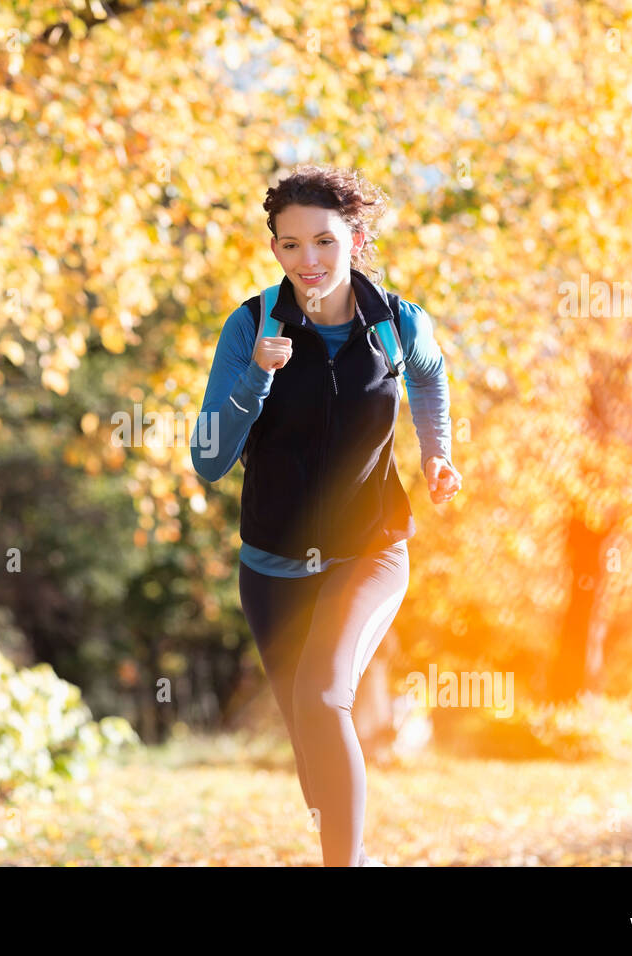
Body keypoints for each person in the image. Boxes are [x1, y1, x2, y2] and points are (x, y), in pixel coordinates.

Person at [190, 164, 462, 867]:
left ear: (356, 239)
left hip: (368, 552)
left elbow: (432, 376)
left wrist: (437, 454)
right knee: (309, 730)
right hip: (271, 569)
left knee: (321, 697)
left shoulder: (398, 324)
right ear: (275, 249)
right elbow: (208, 459)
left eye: (322, 242)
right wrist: (255, 375)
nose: (306, 261)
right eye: (288, 245)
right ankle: (357, 858)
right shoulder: (251, 326)